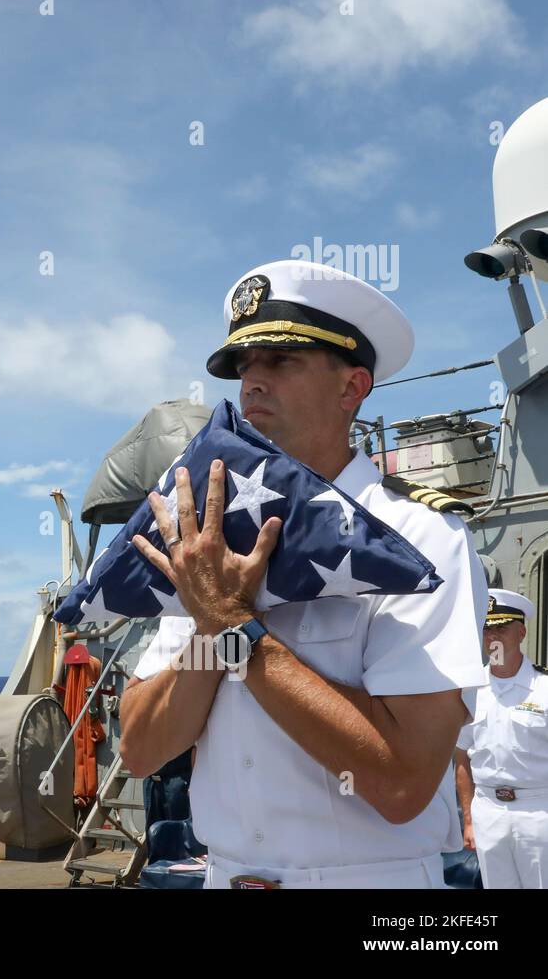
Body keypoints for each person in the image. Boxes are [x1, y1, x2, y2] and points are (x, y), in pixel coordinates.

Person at [118, 259, 487, 889]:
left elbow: (401, 783)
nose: (251, 384)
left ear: (353, 388)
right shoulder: (214, 548)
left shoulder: (421, 542)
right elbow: (142, 749)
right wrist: (212, 629)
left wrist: (233, 625)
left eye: (281, 361)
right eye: (243, 368)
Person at [454, 589, 548, 888]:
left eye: (502, 628)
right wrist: (469, 819)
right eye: (487, 629)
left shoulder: (544, 687)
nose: (493, 636)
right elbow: (462, 758)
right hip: (488, 813)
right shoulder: (470, 690)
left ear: (520, 632)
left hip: (539, 811)